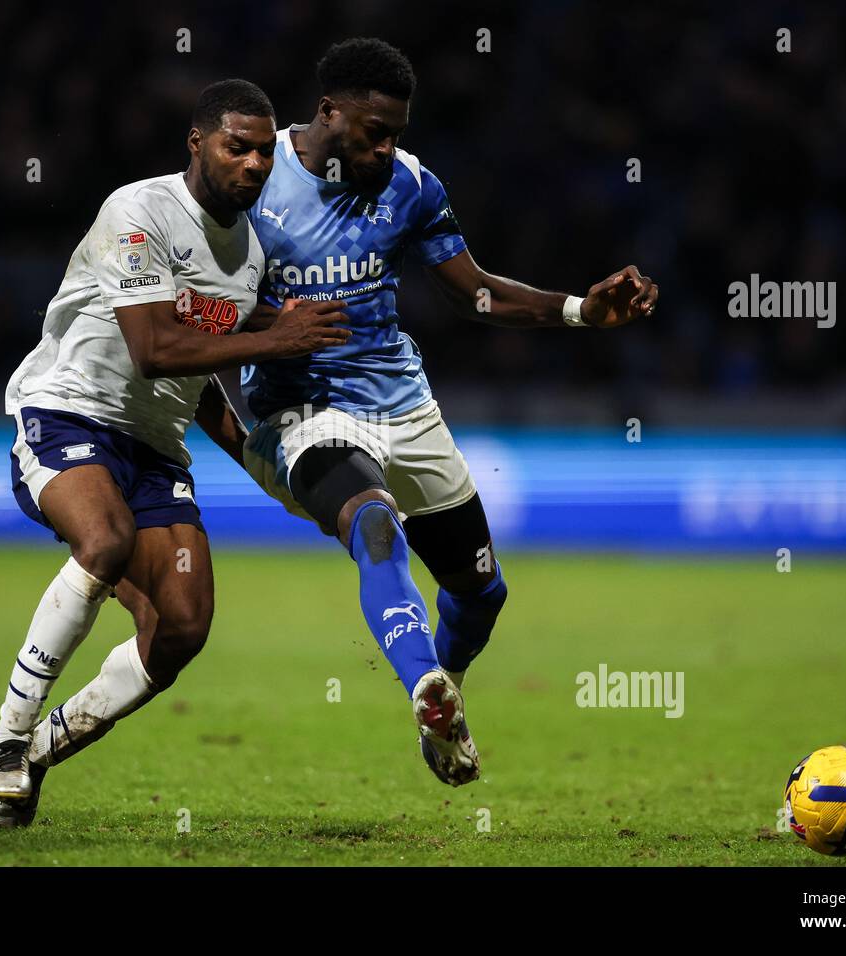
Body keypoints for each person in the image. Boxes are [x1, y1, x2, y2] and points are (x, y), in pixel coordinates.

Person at [237, 38, 659, 786]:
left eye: (398, 132)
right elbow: (197, 313)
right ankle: (423, 684)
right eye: (374, 131)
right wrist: (268, 333)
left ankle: (446, 696)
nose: (387, 147)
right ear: (328, 112)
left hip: (404, 404)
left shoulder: (409, 184)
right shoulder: (248, 177)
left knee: (479, 591)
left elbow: (475, 293)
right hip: (301, 409)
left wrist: (581, 312)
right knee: (372, 519)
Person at [0, 78, 348, 827]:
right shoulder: (139, 211)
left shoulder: (250, 253)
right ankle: (8, 742)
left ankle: (44, 750)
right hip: (67, 411)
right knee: (104, 541)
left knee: (181, 627)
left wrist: (271, 472)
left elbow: (204, 375)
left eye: (264, 154)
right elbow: (153, 348)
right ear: (197, 143)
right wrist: (275, 336)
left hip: (153, 446)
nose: (251, 165)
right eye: (235, 147)